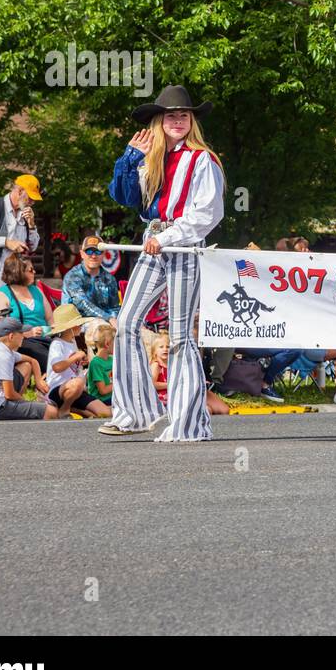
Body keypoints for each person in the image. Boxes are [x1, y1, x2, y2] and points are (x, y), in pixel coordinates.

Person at [100, 84, 225, 441]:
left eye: (183, 115)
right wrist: (128, 157)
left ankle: (188, 424)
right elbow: (128, 200)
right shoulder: (150, 158)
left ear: (191, 121)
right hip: (154, 241)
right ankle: (135, 413)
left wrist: (166, 238)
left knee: (181, 335)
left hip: (184, 245)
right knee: (126, 323)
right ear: (159, 120)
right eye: (171, 115)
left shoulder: (203, 160)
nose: (177, 120)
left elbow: (208, 214)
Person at [0, 318, 55, 420]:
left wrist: (38, 380)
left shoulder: (1, 350)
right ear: (11, 336)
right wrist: (26, 402)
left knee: (26, 365)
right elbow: (9, 394)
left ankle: (19, 410)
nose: (23, 336)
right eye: (21, 333)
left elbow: (32, 361)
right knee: (51, 411)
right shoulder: (3, 357)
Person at [0, 253, 53, 369]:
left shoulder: (36, 291)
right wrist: (27, 333)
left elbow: (51, 319)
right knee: (45, 354)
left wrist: (54, 331)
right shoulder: (1, 295)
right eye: (31, 270)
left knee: (63, 348)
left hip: (45, 337)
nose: (34, 272)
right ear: (18, 271)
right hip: (21, 341)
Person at [44, 304, 111, 418]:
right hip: (59, 389)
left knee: (106, 413)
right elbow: (57, 367)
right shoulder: (57, 343)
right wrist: (75, 357)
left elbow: (71, 365)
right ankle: (64, 409)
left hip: (76, 390)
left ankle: (73, 408)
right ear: (70, 327)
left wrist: (80, 361)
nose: (81, 326)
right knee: (78, 382)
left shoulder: (73, 341)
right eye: (79, 324)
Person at [60, 235, 122, 326]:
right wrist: (109, 319)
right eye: (89, 251)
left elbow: (114, 307)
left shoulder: (109, 279)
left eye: (98, 251)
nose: (93, 256)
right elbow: (82, 304)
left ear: (104, 254)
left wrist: (115, 321)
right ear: (82, 254)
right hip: (75, 326)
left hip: (106, 325)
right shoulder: (72, 276)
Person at [87, 323, 116, 406]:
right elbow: (103, 391)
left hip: (112, 397)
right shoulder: (96, 363)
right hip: (101, 401)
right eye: (115, 343)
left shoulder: (112, 359)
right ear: (107, 344)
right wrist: (119, 383)